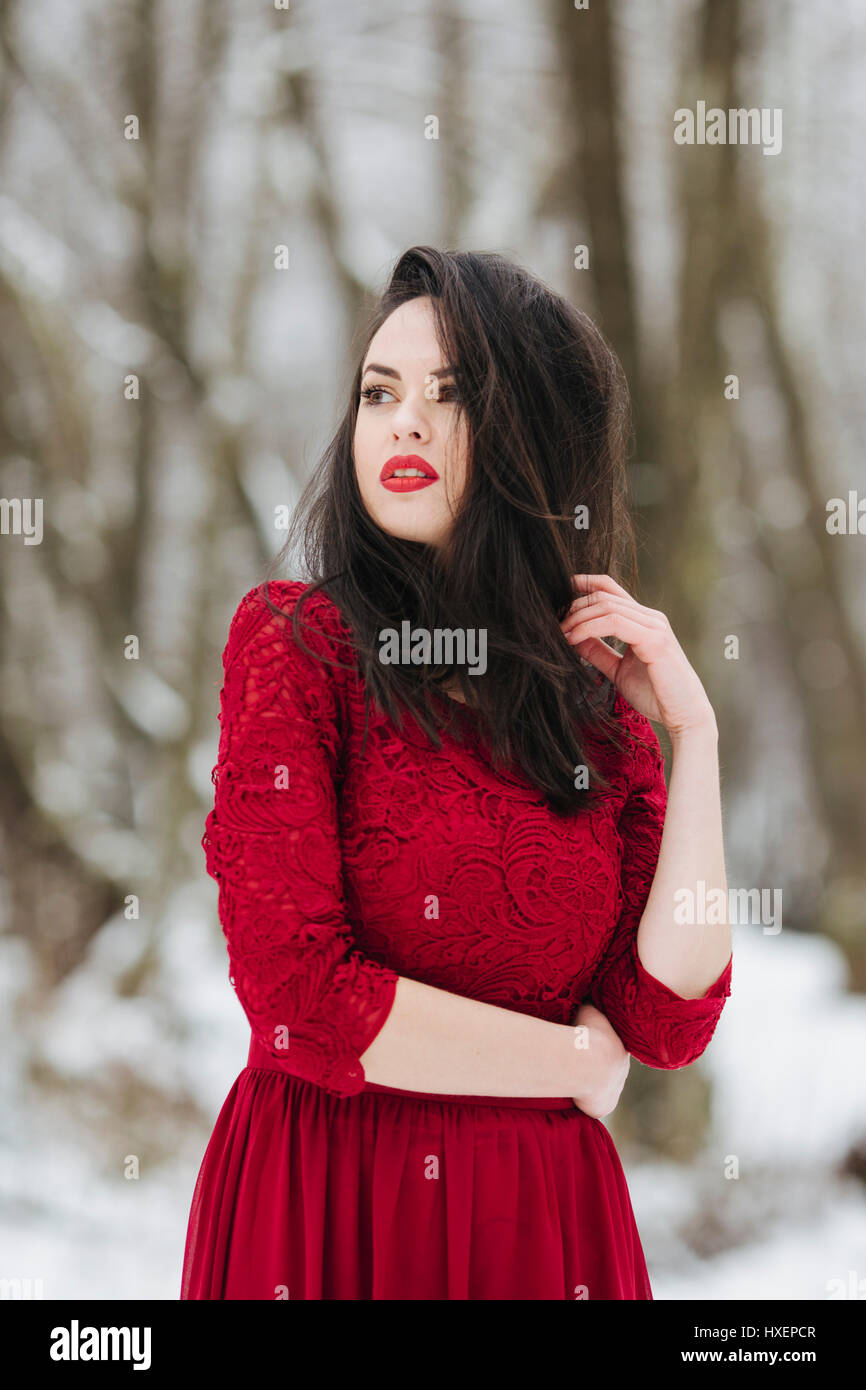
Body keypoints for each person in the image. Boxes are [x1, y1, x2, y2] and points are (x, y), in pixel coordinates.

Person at [180, 246, 733, 1300]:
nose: (402, 423)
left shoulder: (595, 716)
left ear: (533, 436)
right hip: (326, 1204)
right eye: (377, 392)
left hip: (537, 1229)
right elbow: (296, 993)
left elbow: (664, 1019)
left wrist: (693, 735)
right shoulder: (299, 646)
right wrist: (568, 1067)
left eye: (450, 395)